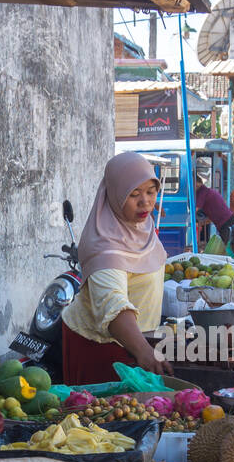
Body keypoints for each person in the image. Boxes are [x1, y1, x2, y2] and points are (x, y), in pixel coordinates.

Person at [61, 151, 172, 384]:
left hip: (135, 342)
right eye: (134, 194)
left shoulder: (141, 227)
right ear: (115, 194)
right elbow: (114, 304)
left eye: (151, 192)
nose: (145, 202)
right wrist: (143, 350)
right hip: (101, 346)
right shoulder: (106, 246)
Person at [194, 168, 234, 239]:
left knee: (228, 246)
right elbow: (212, 217)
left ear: (199, 183)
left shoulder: (202, 192)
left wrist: (187, 221)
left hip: (225, 223)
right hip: (228, 220)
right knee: (229, 244)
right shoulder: (208, 191)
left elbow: (195, 210)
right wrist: (200, 223)